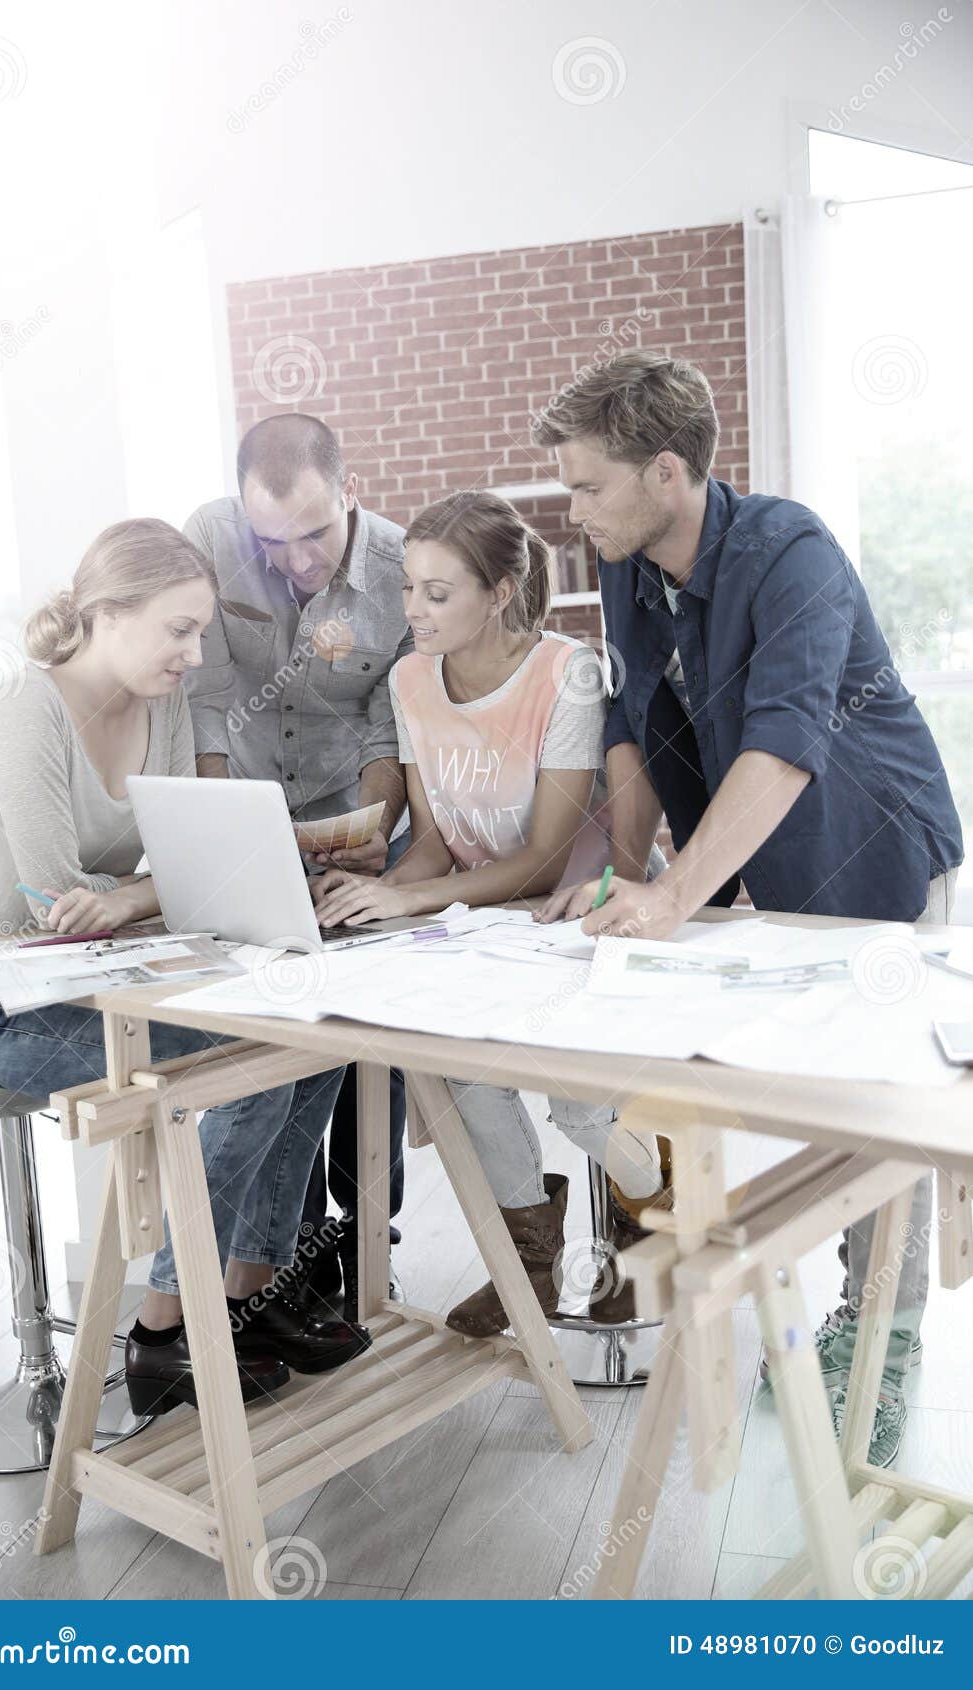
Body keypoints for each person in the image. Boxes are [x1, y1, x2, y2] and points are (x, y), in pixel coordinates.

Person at [532, 350, 963, 1466]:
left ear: (665, 471)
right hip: (747, 860)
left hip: (874, 851)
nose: (572, 512)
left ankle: (882, 1342)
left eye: (586, 486)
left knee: (870, 1116)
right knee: (783, 1095)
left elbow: (784, 741)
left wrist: (674, 892)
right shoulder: (627, 560)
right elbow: (629, 723)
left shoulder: (790, 551)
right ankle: (827, 1309)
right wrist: (624, 876)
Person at [0, 518, 369, 1418]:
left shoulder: (163, 708)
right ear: (107, 613)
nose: (194, 653)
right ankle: (165, 1334)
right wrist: (137, 894)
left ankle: (250, 1296)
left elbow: (173, 869)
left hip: (103, 977)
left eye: (200, 631)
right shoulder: (26, 708)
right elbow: (54, 895)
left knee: (317, 1036)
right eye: (179, 629)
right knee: (253, 1065)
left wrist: (131, 898)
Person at [309, 489, 663, 1337]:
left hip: (579, 914)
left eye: (439, 593)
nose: (415, 612)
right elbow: (434, 845)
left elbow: (542, 861)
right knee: (465, 1074)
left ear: (499, 593)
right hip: (483, 923)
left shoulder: (564, 672)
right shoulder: (407, 680)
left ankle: (653, 1221)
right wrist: (384, 893)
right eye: (407, 591)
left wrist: (407, 893)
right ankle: (527, 1269)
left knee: (580, 1108)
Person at [183, 414, 413, 1317]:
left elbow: (392, 726)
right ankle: (288, 1254)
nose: (296, 562)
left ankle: (368, 1229)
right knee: (271, 1034)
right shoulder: (210, 537)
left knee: (362, 1041)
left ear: (348, 492)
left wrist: (371, 834)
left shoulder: (399, 570)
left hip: (352, 810)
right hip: (247, 815)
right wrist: (212, 830)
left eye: (314, 534)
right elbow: (203, 701)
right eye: (272, 542)